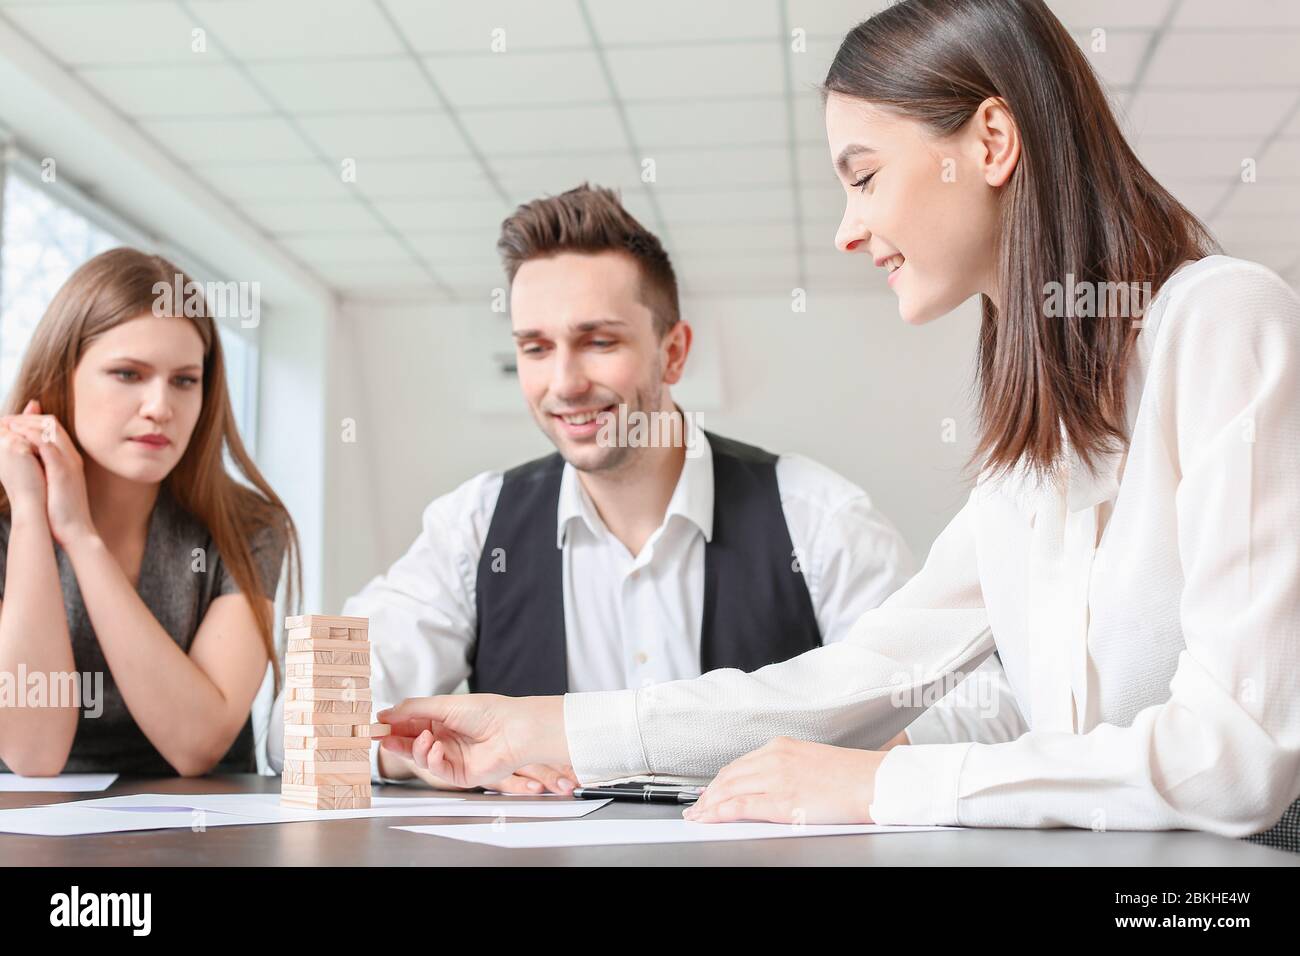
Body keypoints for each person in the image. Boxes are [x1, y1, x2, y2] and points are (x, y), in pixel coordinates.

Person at [375, 0, 1300, 850]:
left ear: (989, 141)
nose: (846, 231)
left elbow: (1236, 754)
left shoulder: (1221, 324)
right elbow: (860, 677)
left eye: (863, 177)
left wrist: (883, 782)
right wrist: (544, 728)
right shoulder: (1032, 440)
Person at [269, 184, 920, 794]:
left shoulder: (818, 515)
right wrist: (404, 756)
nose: (565, 382)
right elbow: (293, 721)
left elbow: (961, 717)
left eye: (598, 341)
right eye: (535, 348)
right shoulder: (474, 524)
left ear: (674, 352)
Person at [0, 248, 299, 777]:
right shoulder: (8, 520)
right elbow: (34, 753)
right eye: (128, 374)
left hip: (201, 839)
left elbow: (198, 743)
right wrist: (29, 513)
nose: (160, 406)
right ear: (59, 377)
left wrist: (80, 535)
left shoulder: (248, 527)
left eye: (185, 380)